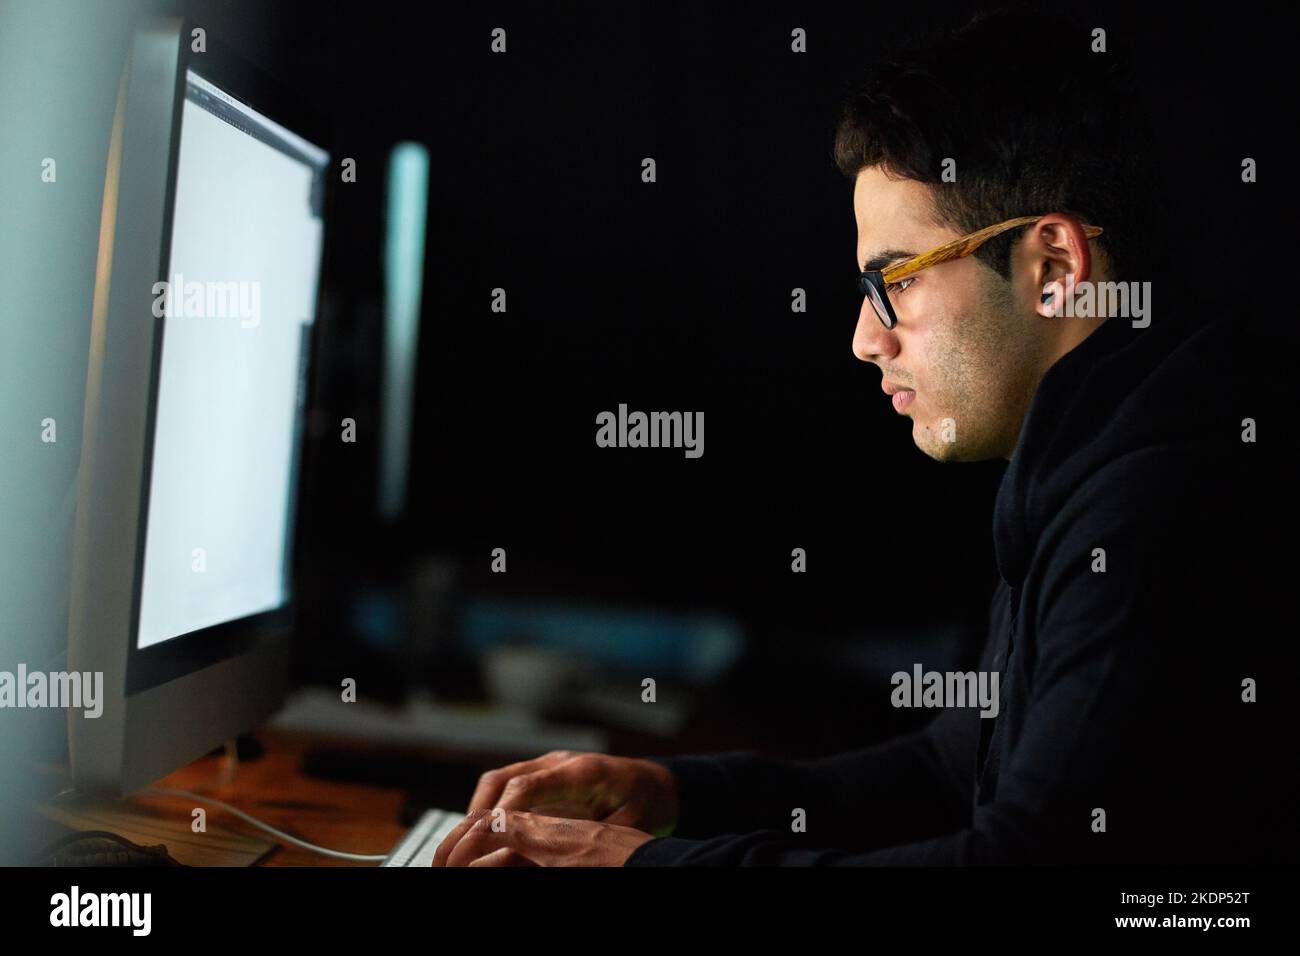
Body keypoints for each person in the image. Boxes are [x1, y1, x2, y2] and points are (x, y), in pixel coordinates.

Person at [432, 7, 1276, 867]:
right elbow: (952, 770)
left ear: (1052, 269)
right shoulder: (1090, 458)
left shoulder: (1159, 506)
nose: (865, 339)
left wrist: (642, 867)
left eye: (892, 282)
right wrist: (678, 794)